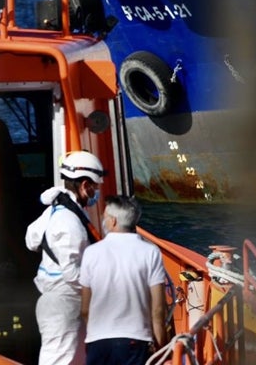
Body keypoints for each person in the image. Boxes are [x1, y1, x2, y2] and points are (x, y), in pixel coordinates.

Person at [25, 151, 105, 365]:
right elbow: (72, 274)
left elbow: (31, 239)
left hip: (56, 301)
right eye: (94, 187)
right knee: (60, 360)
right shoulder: (70, 222)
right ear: (85, 184)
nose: (95, 192)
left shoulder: (55, 210)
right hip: (64, 302)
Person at [79, 196, 166, 365]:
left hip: (98, 342)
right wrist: (161, 346)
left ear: (113, 222)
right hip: (135, 340)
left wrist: (95, 331)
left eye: (105, 217)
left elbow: (85, 309)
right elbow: (158, 310)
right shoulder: (150, 252)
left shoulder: (91, 253)